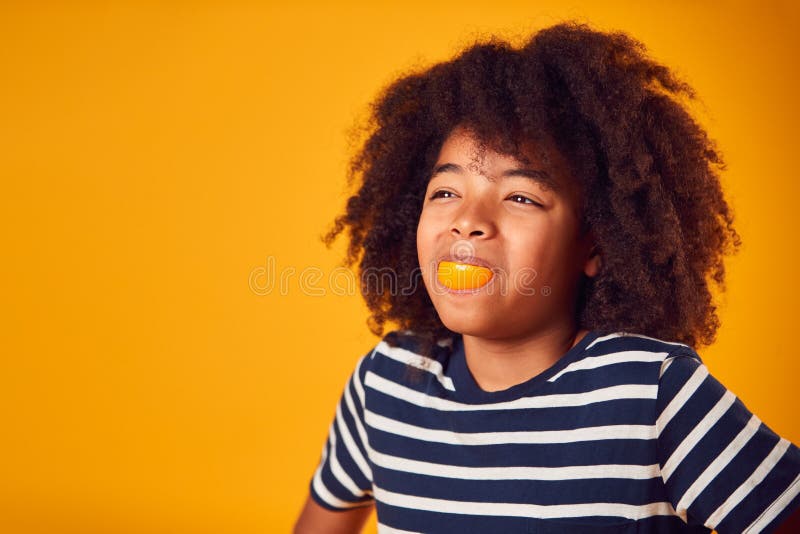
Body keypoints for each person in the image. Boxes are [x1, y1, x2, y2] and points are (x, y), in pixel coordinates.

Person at [293, 21, 800, 533]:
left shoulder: (651, 392)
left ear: (596, 244)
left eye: (521, 198)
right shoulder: (386, 383)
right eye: (445, 192)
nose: (467, 219)